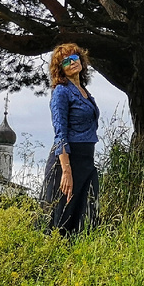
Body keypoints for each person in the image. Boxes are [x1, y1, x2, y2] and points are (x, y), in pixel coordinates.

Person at [42, 43, 100, 234]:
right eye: (65, 61)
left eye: (74, 58)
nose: (72, 63)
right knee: (60, 221)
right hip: (67, 160)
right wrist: (66, 171)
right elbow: (60, 133)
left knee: (86, 217)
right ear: (60, 69)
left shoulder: (84, 92)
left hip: (86, 160)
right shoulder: (61, 91)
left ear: (81, 60)